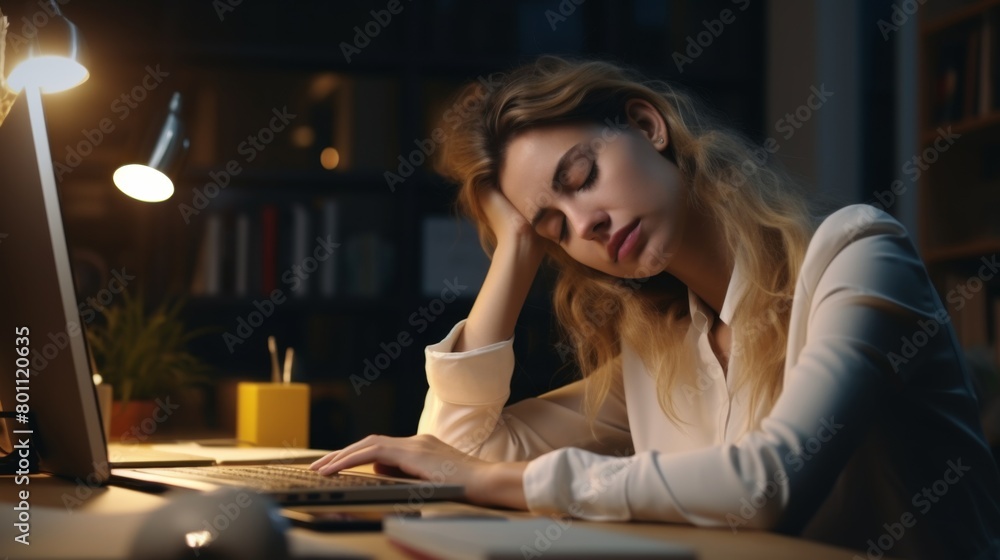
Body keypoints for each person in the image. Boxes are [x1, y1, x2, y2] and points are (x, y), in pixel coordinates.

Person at [311, 56, 1000, 558]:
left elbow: (770, 483)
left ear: (648, 124)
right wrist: (515, 249)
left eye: (580, 177)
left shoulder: (857, 254)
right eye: (555, 225)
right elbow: (456, 453)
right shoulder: (661, 350)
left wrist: (489, 478)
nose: (586, 224)